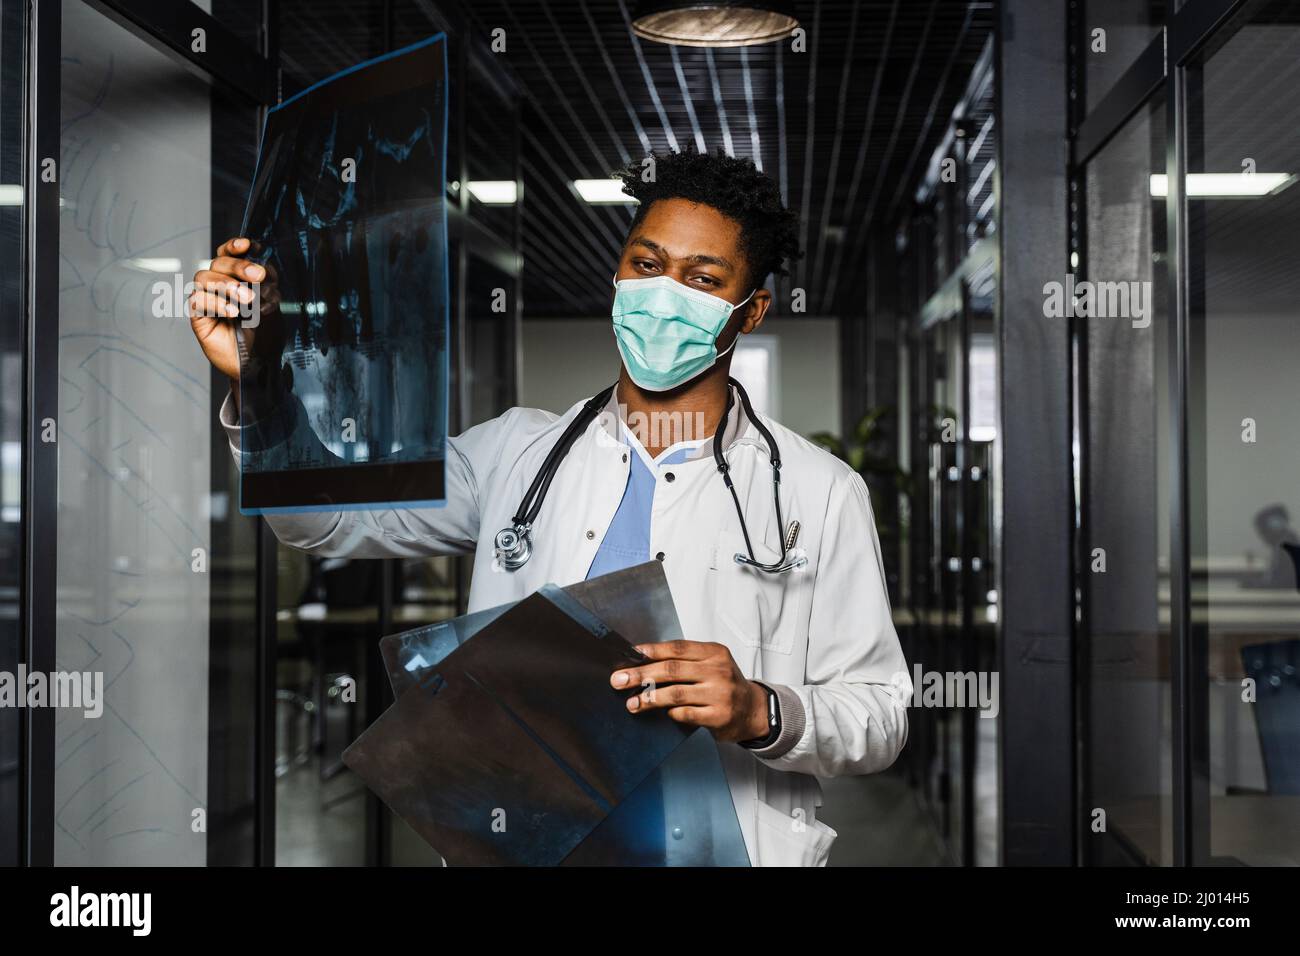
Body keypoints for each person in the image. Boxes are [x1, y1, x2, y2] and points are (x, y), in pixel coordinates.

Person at [188, 147, 910, 866]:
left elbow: (880, 711)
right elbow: (325, 521)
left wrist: (761, 709)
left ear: (749, 312)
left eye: (702, 278)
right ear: (619, 274)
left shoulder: (818, 490)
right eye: (648, 264)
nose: (664, 294)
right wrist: (265, 387)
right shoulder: (514, 453)